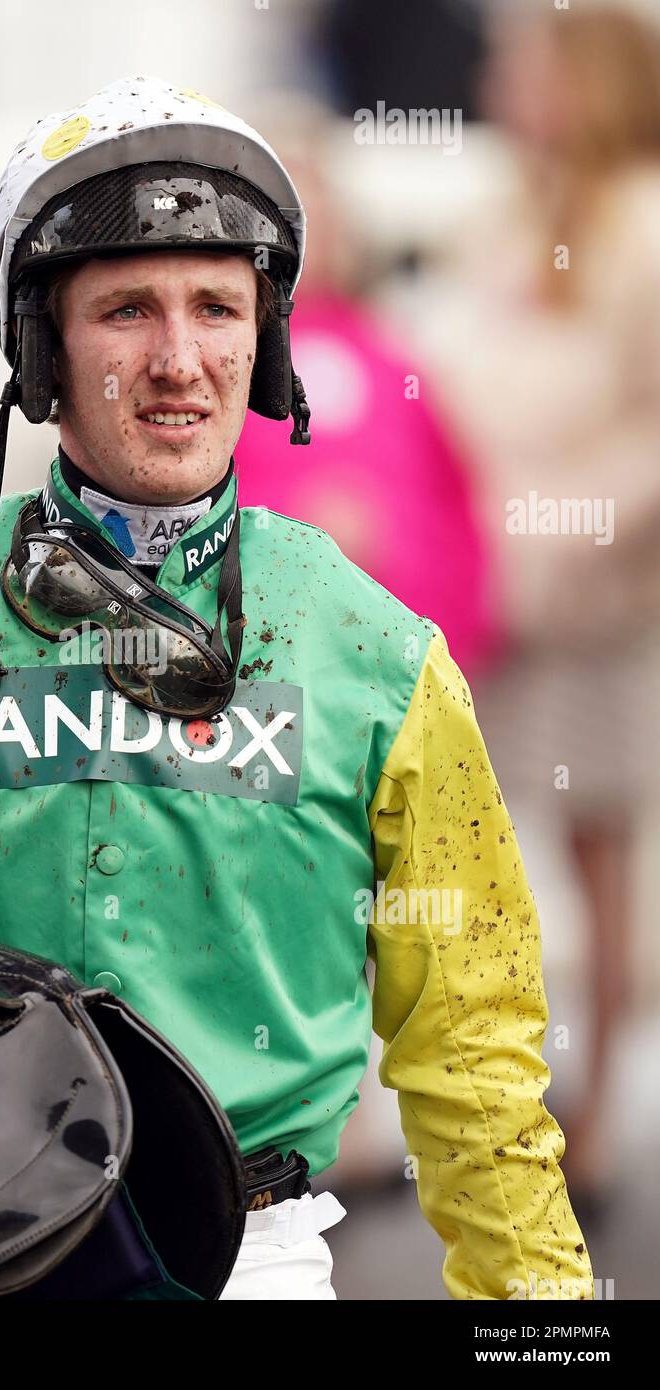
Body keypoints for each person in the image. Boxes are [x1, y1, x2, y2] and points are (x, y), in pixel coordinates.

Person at [0, 76, 592, 1300]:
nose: (181, 361)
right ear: (40, 345)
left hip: (249, 1254)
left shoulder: (384, 660)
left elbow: (476, 1052)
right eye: (128, 309)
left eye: (217, 308)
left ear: (265, 340)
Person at [413, 4, 660, 1220]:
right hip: (487, 597)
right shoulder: (505, 217)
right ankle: (463, 1112)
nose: (502, 79)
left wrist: (556, 535)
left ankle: (602, 1119)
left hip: (597, 605)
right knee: (459, 852)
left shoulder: (647, 229)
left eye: (526, 62)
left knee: (602, 855)